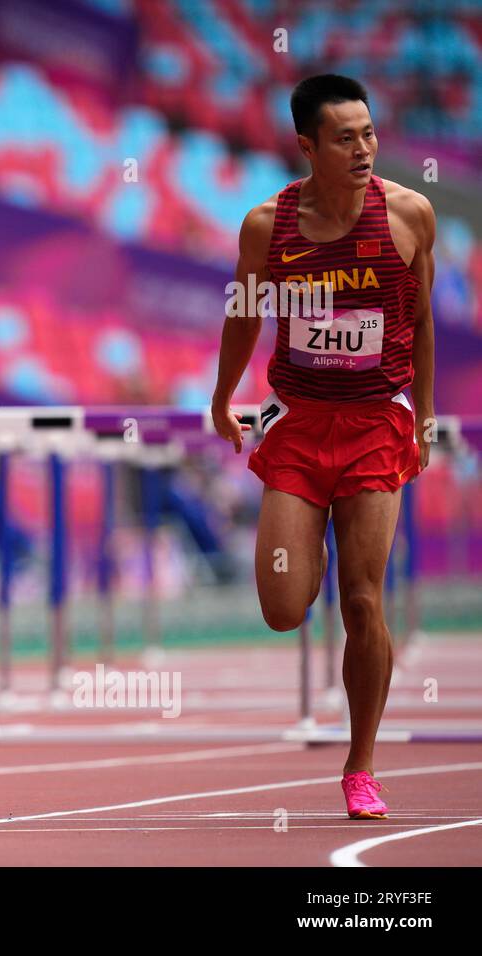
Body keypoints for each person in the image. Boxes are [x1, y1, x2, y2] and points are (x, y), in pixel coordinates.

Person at [211, 75, 435, 820]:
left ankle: (360, 766)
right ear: (308, 147)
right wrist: (221, 397)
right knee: (282, 605)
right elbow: (243, 317)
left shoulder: (409, 214)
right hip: (299, 423)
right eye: (346, 138)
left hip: (376, 423)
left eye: (370, 133)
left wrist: (424, 417)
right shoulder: (265, 225)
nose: (365, 148)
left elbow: (424, 319)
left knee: (363, 602)